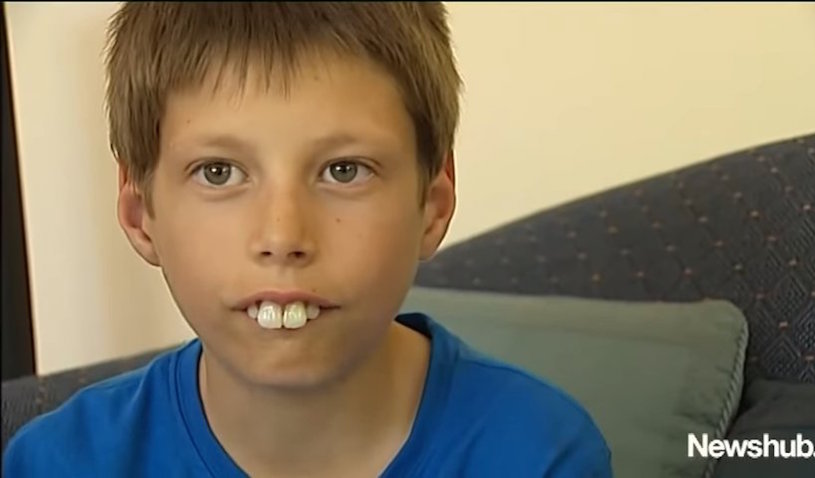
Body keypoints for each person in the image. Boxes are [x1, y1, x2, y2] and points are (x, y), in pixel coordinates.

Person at [3, 3, 611, 477]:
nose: (282, 236)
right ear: (141, 214)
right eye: (220, 172)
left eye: (343, 170)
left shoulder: (539, 453)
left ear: (432, 203)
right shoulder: (55, 465)